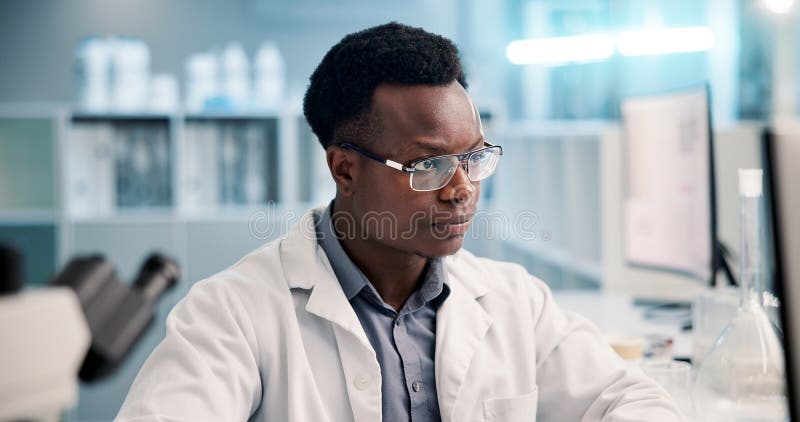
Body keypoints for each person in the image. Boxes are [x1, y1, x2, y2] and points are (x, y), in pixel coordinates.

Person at [116, 22, 684, 422]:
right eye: (428, 165)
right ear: (345, 170)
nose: (461, 188)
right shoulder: (234, 313)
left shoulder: (516, 302)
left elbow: (630, 401)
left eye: (473, 157)